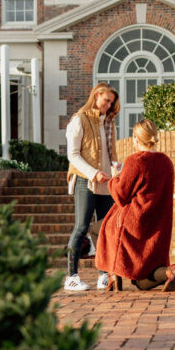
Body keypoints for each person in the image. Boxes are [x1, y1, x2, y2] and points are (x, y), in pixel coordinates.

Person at [95, 119, 175, 292]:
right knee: (143, 278)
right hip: (157, 225)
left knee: (98, 229)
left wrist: (115, 177)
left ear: (136, 139)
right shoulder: (166, 162)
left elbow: (121, 196)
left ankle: (113, 275)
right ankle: (170, 271)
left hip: (134, 223)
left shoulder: (135, 161)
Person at [64, 82, 120, 291]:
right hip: (84, 181)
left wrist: (115, 167)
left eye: (111, 103)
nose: (108, 105)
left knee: (105, 229)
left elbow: (109, 154)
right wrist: (93, 173)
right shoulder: (79, 119)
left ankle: (104, 275)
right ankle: (71, 277)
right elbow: (73, 155)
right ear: (96, 95)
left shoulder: (109, 122)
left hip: (106, 184)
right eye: (106, 101)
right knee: (81, 227)